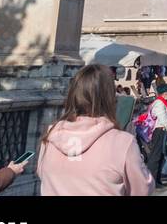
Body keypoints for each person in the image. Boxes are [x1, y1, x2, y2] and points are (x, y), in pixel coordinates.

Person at [37, 64, 153, 196]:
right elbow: (143, 188)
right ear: (110, 98)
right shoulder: (122, 142)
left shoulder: (52, 136)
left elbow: (42, 174)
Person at [141, 82, 167, 188]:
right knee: (155, 157)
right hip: (159, 131)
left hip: (162, 130)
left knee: (160, 156)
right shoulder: (159, 103)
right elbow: (162, 117)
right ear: (165, 93)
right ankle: (152, 181)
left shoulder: (162, 103)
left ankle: (157, 180)